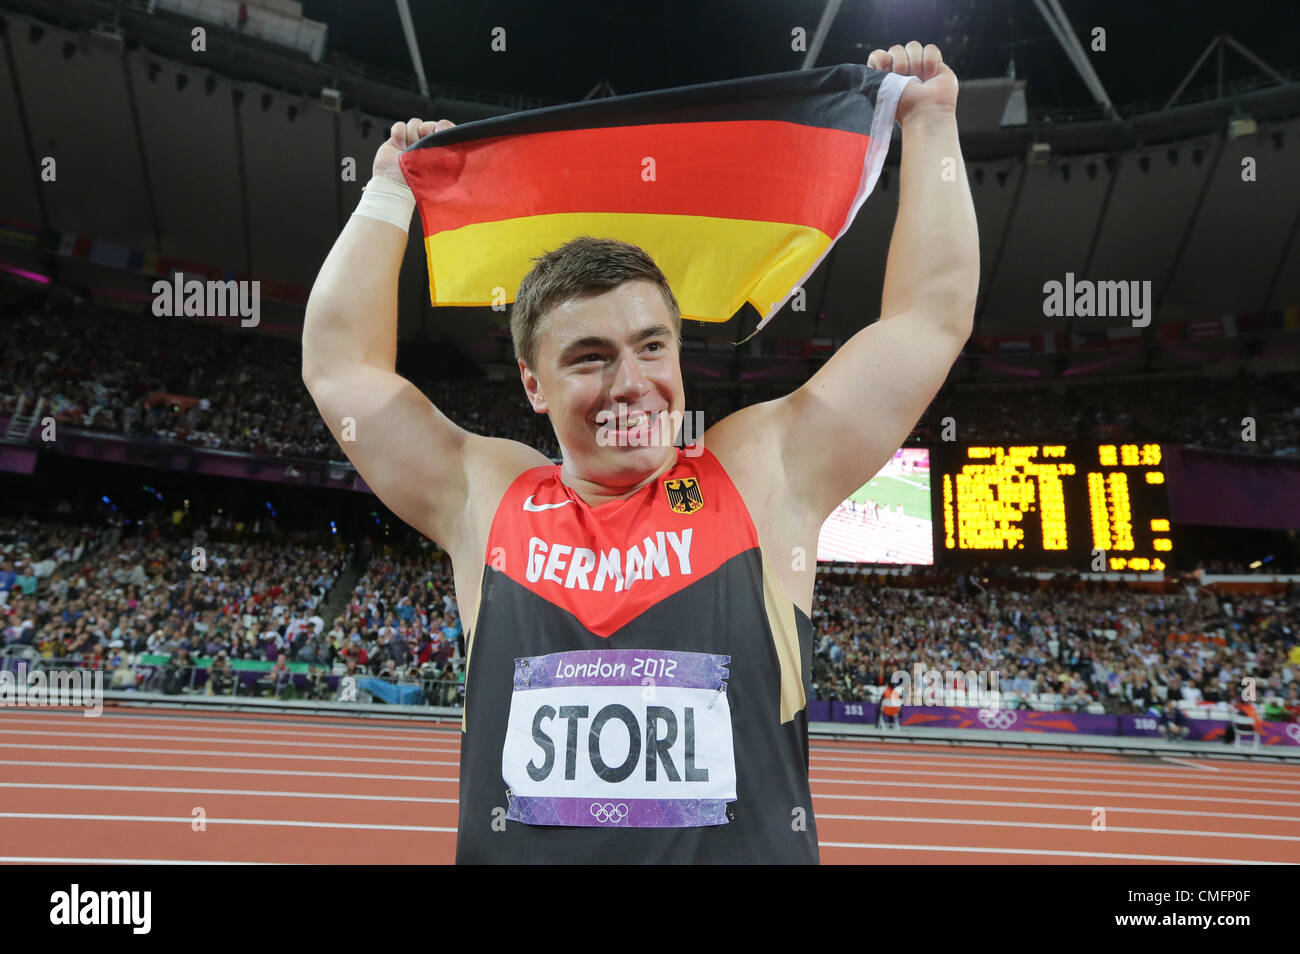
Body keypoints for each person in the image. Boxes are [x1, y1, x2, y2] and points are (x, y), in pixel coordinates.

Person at [303, 41, 976, 864]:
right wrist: (384, 194)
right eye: (589, 357)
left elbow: (929, 320)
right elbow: (340, 368)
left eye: (652, 347)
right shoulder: (486, 496)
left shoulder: (762, 472)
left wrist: (933, 124)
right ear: (533, 385)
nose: (631, 383)